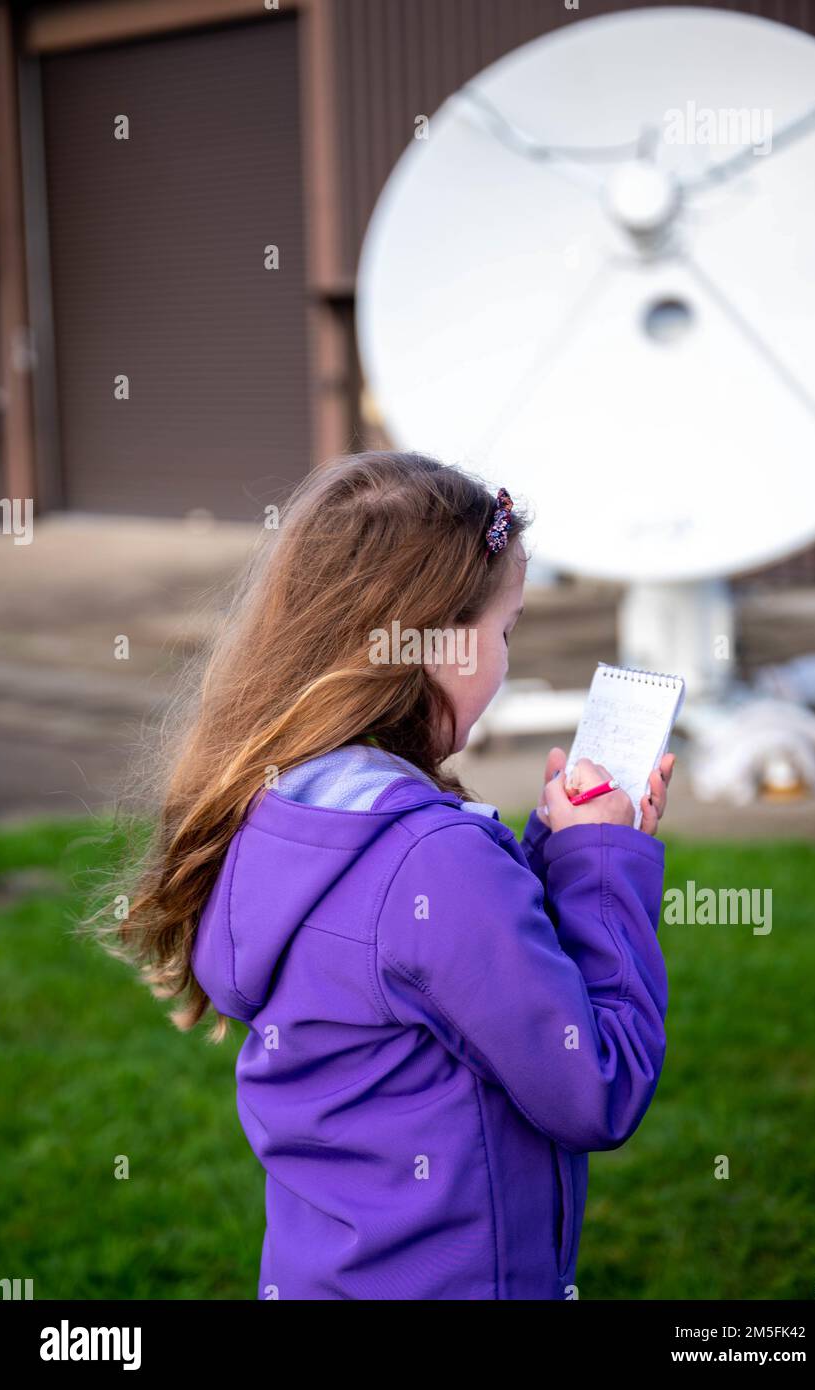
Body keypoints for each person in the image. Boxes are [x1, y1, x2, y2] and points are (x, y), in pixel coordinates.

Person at [112, 450, 675, 1300]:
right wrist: (602, 868)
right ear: (442, 646)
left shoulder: (273, 812)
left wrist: (559, 842)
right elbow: (595, 1083)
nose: (508, 656)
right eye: (507, 630)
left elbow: (445, 961)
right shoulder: (434, 864)